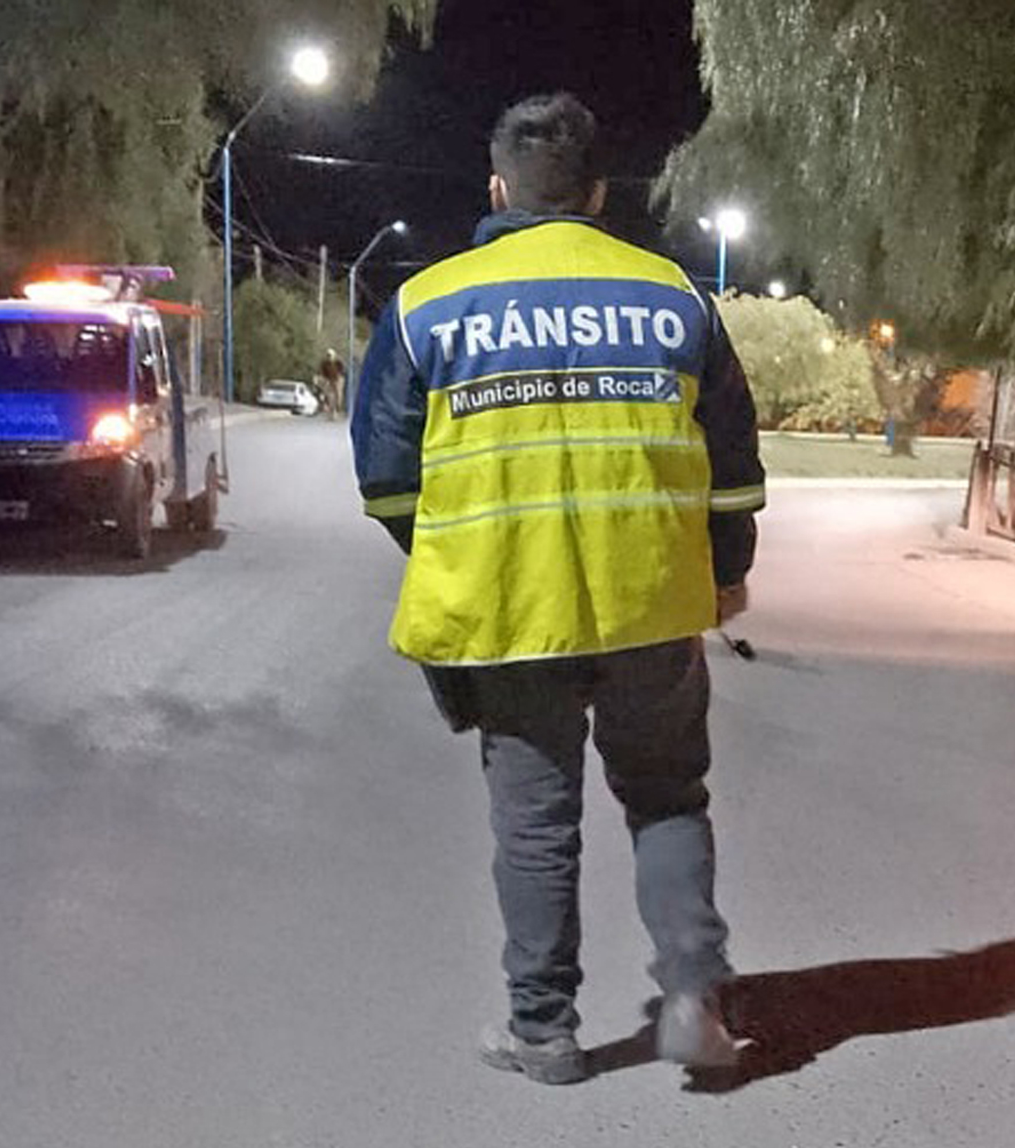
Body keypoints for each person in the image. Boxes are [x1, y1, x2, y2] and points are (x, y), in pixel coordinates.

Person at [350, 92, 766, 1085]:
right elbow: (734, 462)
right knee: (667, 796)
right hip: (653, 603)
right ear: (597, 192)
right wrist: (728, 571)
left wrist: (453, 548)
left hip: (507, 611)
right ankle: (696, 994)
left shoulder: (429, 304)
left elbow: (386, 476)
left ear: (498, 188)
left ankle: (544, 1031)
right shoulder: (674, 297)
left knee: (535, 822)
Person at [317, 348, 345, 419]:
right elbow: (322, 372)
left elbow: (342, 371)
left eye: (330, 355)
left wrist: (339, 378)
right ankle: (331, 412)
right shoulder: (324, 364)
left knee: (338, 395)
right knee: (329, 396)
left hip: (338, 379)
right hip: (329, 379)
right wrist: (324, 380)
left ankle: (337, 408)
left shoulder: (338, 362)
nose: (329, 357)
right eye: (328, 356)